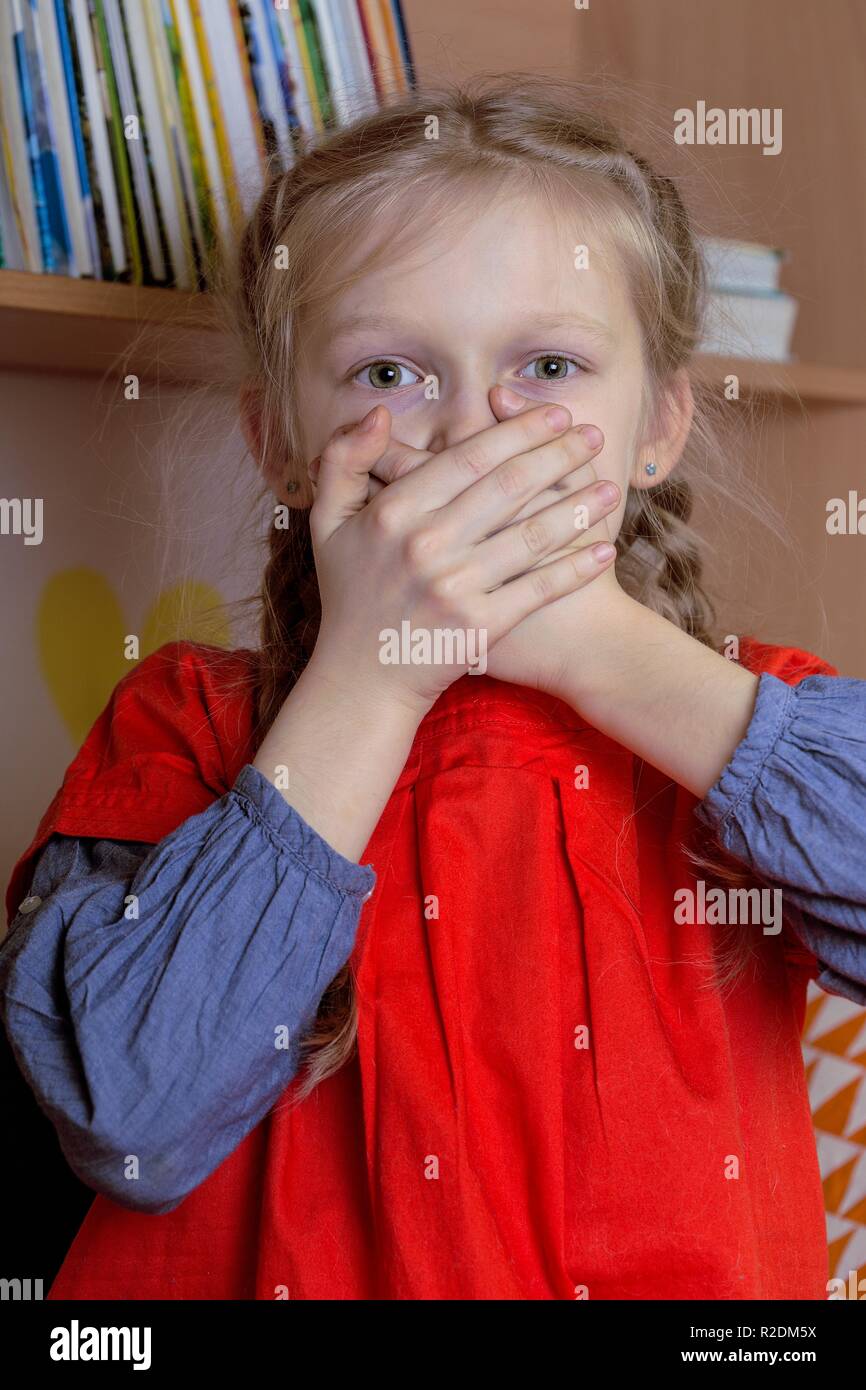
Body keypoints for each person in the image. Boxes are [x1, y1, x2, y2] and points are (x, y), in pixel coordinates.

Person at [3, 76, 866, 1301]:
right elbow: (129, 1116)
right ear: (280, 446)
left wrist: (595, 651)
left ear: (656, 428)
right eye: (389, 375)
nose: (469, 431)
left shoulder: (745, 721)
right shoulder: (184, 725)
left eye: (549, 362)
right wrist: (369, 675)